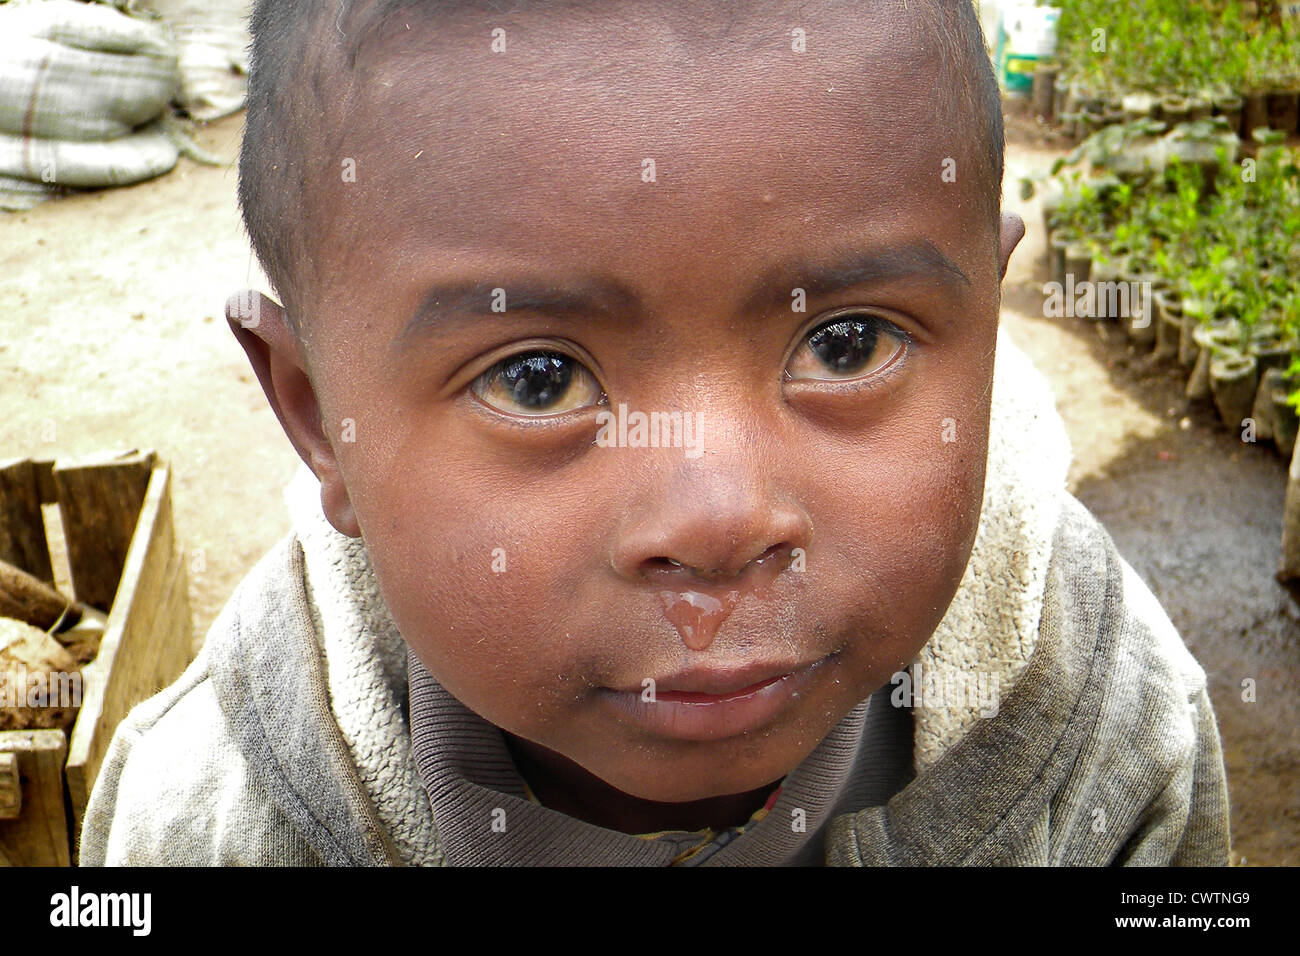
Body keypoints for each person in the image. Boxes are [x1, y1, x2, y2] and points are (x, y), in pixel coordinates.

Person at [80, 0, 1230, 866]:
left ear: (986, 315)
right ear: (315, 414)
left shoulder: (1110, 727)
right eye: (536, 378)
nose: (719, 519)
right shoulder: (206, 818)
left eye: (844, 344)